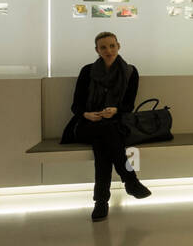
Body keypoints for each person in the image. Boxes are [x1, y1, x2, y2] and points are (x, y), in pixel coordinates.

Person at [60, 31, 152, 220]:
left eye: (112, 46)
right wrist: (87, 114)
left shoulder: (130, 72)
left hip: (114, 124)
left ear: (119, 46)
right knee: (106, 133)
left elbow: (128, 105)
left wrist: (115, 110)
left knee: (103, 144)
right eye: (103, 47)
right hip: (86, 124)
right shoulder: (87, 71)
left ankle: (101, 203)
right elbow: (76, 106)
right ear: (97, 50)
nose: (108, 50)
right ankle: (130, 181)